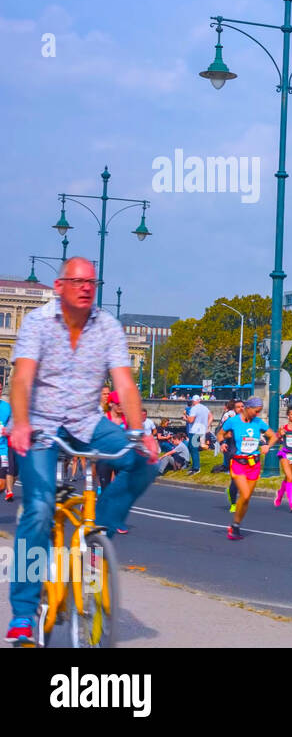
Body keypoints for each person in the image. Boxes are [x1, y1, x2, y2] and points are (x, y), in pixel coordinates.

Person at [4, 256, 161, 643]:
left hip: (87, 422)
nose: (86, 287)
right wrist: (20, 422)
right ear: (60, 287)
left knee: (144, 463)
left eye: (92, 281)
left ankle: (97, 537)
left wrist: (139, 431)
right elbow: (21, 379)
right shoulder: (38, 323)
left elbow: (124, 383)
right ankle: (23, 613)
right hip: (40, 425)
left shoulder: (107, 326)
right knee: (39, 508)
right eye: (77, 281)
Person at [220, 397, 276, 540]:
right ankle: (235, 526)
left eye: (259, 411)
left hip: (254, 464)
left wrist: (267, 445)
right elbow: (220, 433)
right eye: (256, 411)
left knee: (246, 499)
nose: (257, 414)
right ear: (248, 408)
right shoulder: (233, 421)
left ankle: (235, 525)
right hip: (238, 463)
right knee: (244, 495)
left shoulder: (258, 422)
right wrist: (222, 443)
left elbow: (273, 436)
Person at [184, 394, 210, 474]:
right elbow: (211, 417)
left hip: (195, 431)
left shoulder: (194, 408)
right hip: (202, 430)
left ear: (193, 401)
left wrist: (185, 418)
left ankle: (196, 467)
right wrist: (207, 425)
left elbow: (191, 421)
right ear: (199, 400)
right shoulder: (205, 408)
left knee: (193, 448)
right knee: (191, 447)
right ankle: (195, 465)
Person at [0, 379, 13, 502]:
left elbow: (13, 424)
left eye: (0, 389)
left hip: (2, 450)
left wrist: (8, 430)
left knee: (2, 485)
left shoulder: (6, 407)